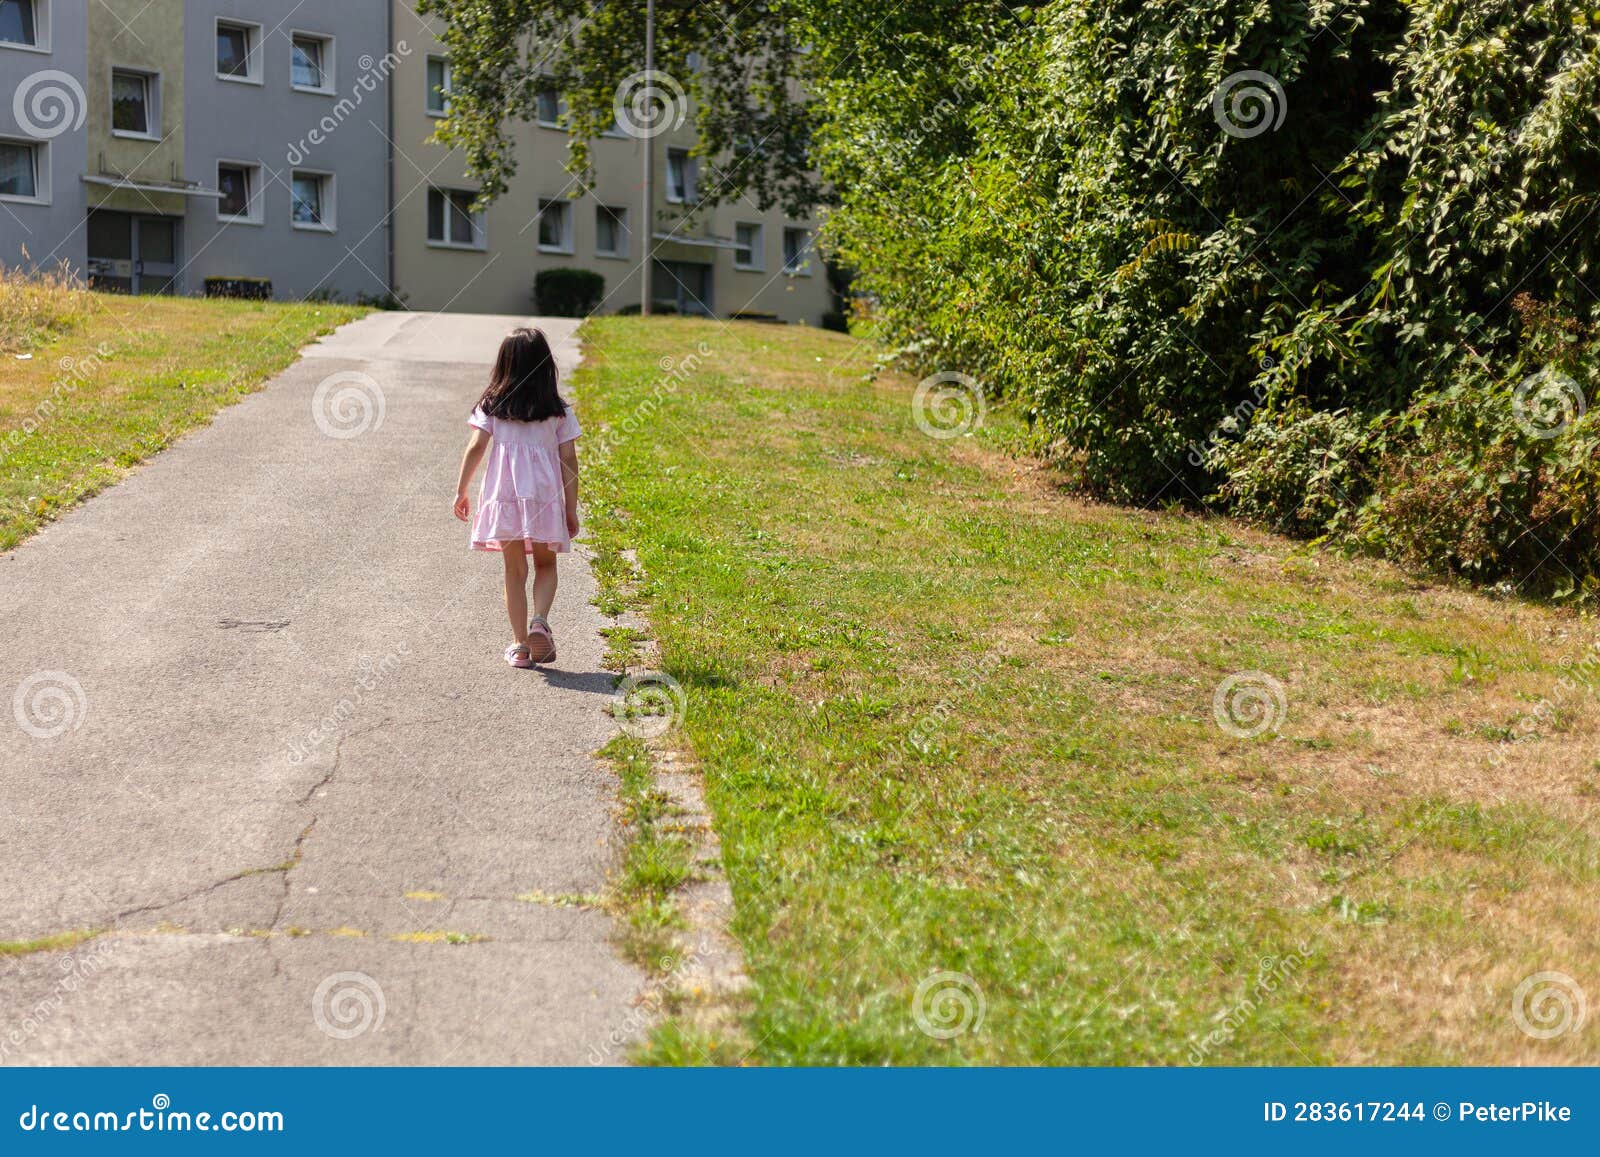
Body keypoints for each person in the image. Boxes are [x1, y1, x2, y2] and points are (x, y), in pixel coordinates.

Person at [453, 328, 580, 667]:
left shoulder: (491, 405)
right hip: (544, 498)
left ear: (504, 365)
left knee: (514, 571)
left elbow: (476, 446)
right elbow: (568, 459)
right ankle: (540, 619)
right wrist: (571, 508)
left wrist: (461, 489)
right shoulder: (559, 411)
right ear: (546, 366)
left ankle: (520, 646)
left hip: (504, 496)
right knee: (546, 564)